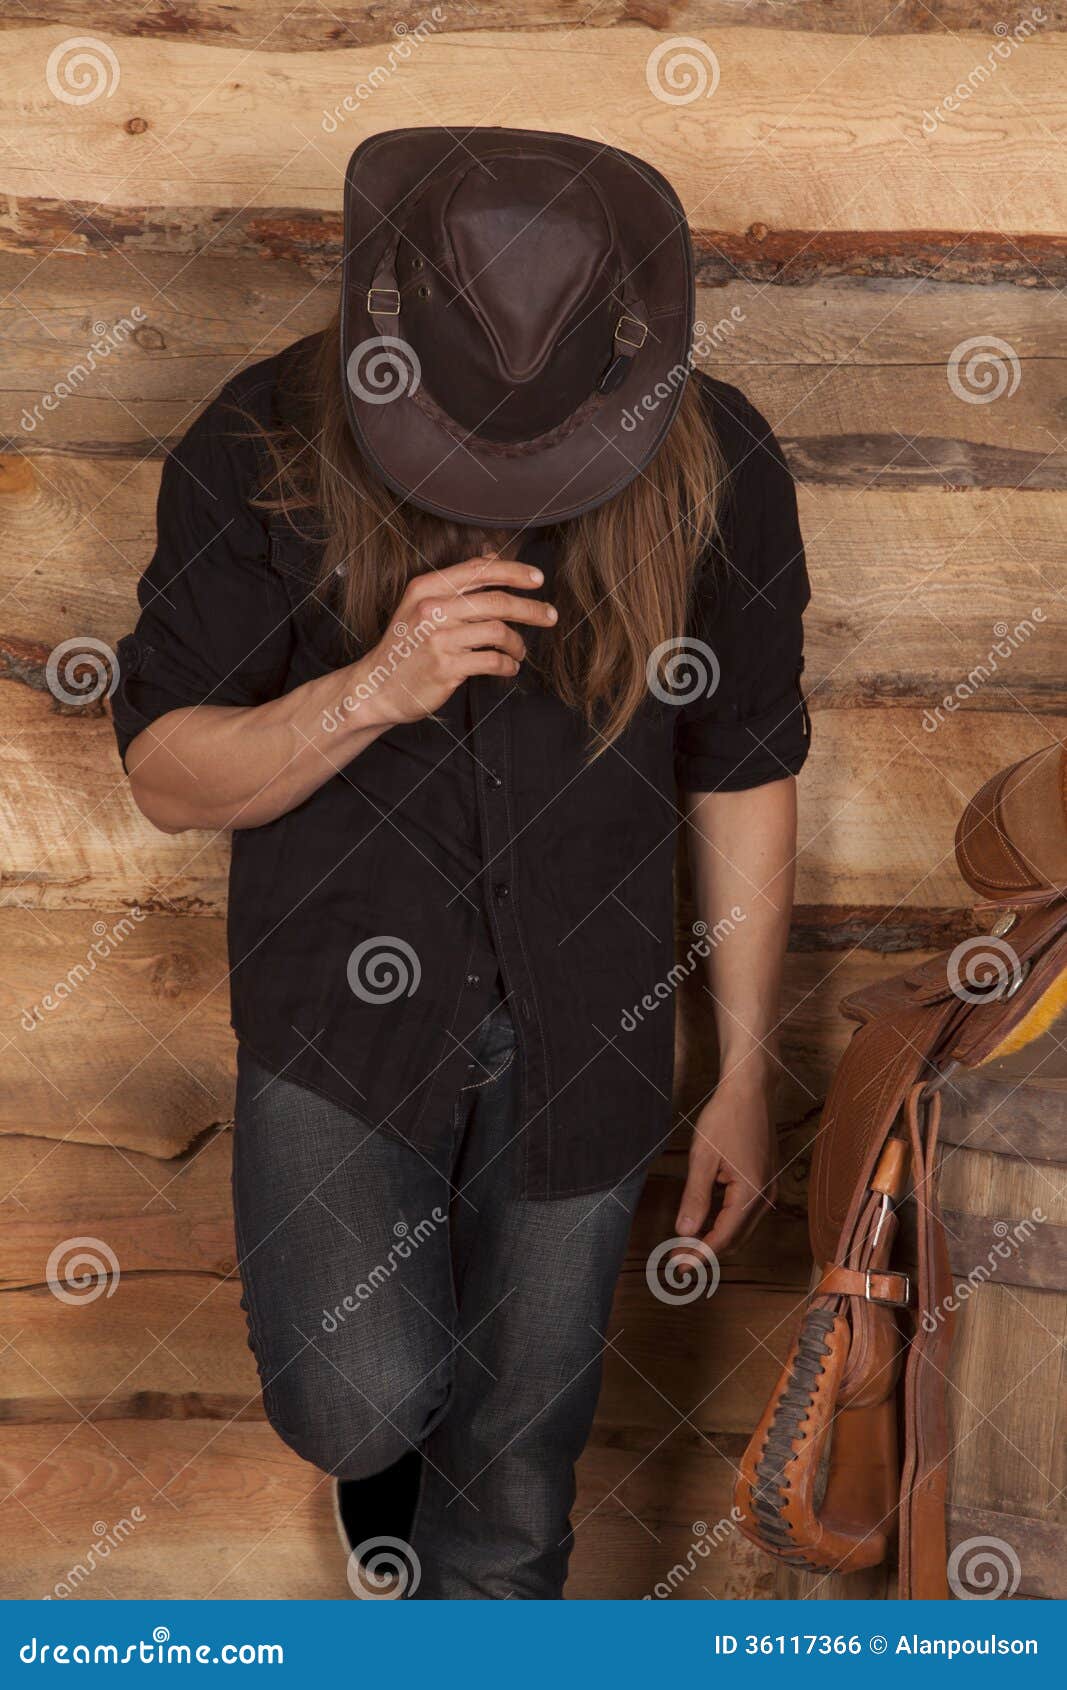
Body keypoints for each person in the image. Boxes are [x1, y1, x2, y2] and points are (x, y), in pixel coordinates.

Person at [112, 126, 810, 1600]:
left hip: (597, 1023)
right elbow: (166, 772)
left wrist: (742, 1069)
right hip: (339, 1022)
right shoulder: (257, 442)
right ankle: (393, 1529)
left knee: (514, 1480)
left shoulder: (719, 457)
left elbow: (743, 767)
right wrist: (370, 686)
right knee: (361, 1394)